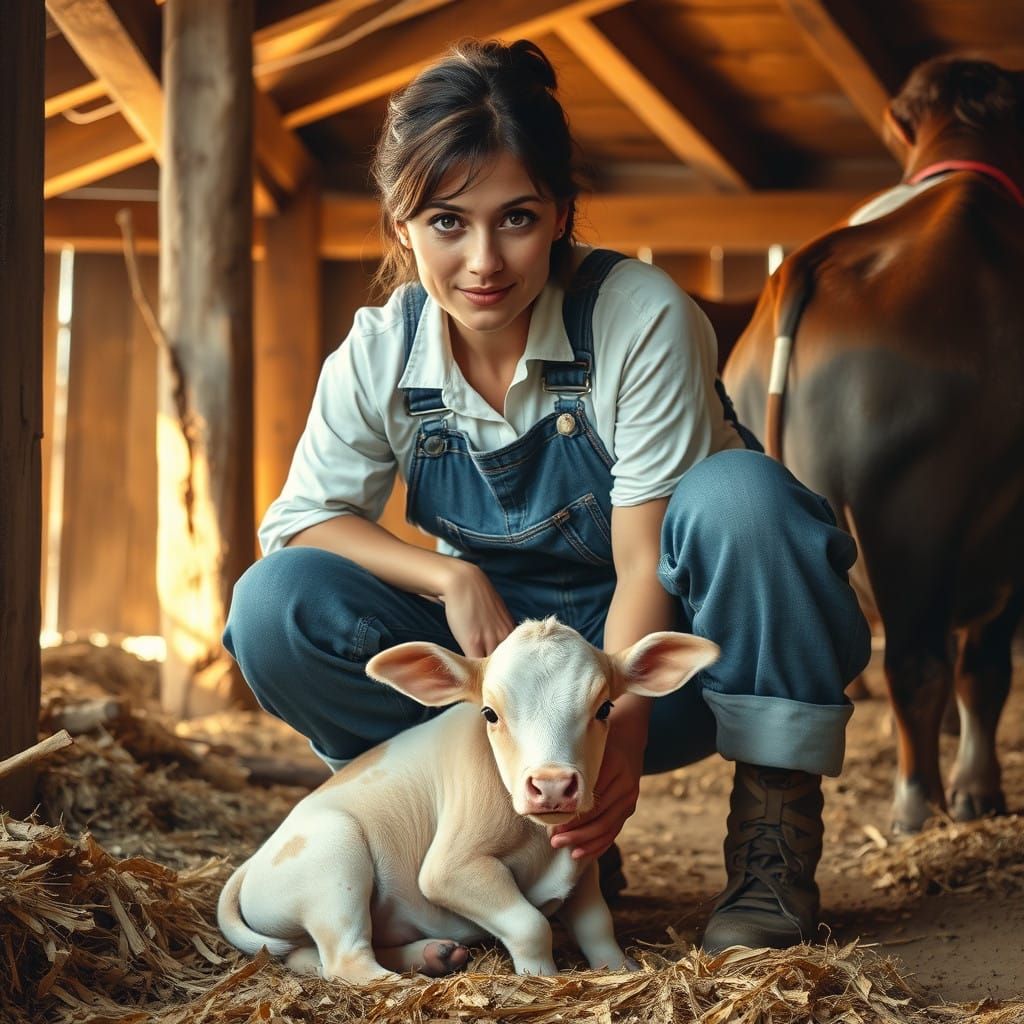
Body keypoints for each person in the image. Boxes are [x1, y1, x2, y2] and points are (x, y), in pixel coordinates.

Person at [223, 38, 871, 953]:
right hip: (505, 691)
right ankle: (494, 843)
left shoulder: (638, 316)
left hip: (663, 667)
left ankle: (770, 854)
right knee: (275, 605)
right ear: (401, 223)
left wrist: (621, 740)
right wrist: (447, 580)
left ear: (562, 213)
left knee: (746, 500)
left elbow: (645, 557)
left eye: (516, 218)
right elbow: (300, 523)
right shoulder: (377, 352)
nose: (483, 260)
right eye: (447, 221)